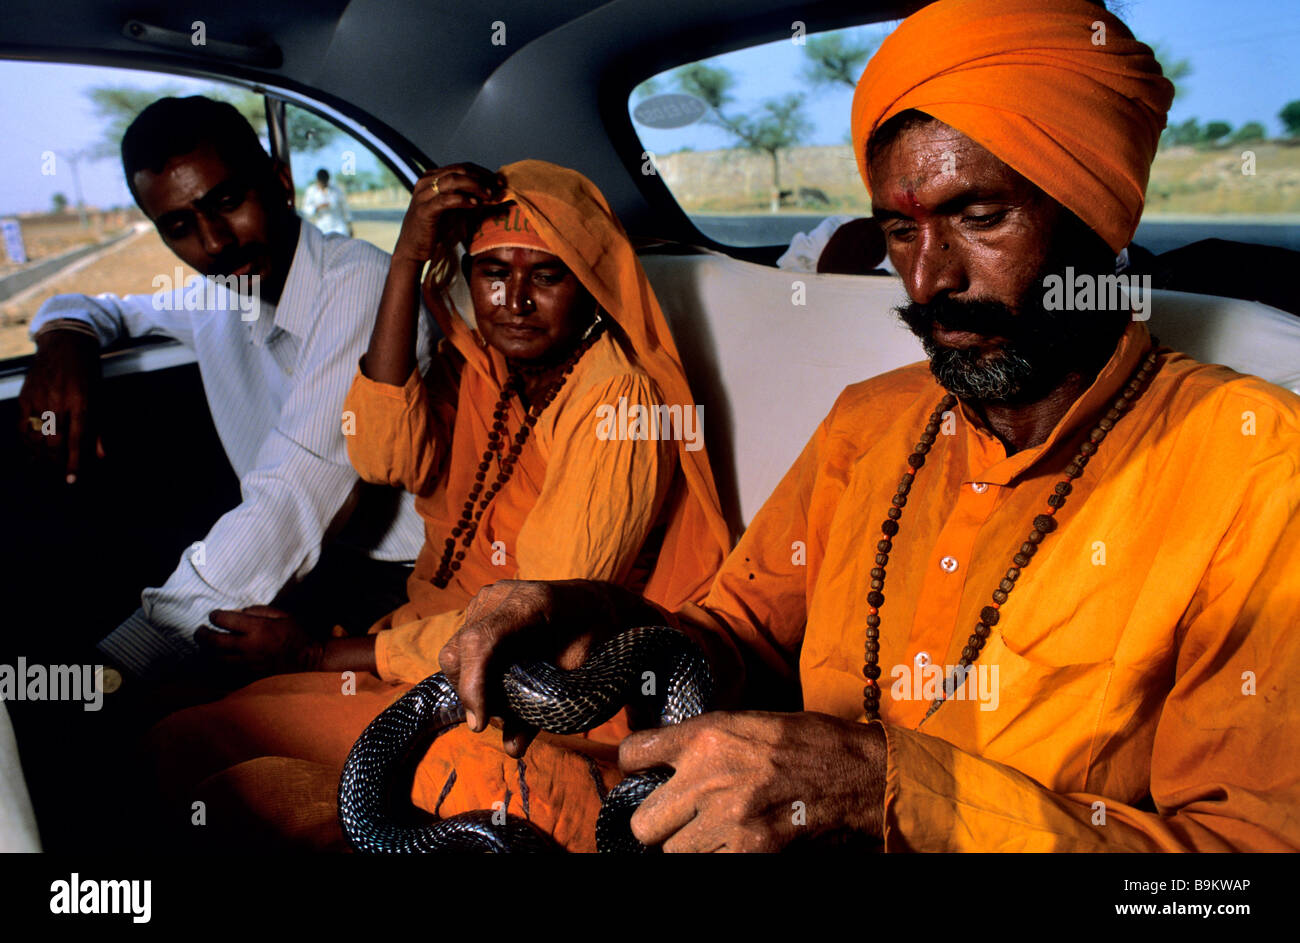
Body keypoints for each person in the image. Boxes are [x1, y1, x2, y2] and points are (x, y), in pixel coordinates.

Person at [429, 0, 1300, 852]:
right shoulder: (871, 420)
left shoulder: (1256, 465)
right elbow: (734, 638)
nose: (930, 278)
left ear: (1099, 218)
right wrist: (591, 613)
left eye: (980, 216)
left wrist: (894, 788)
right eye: (900, 228)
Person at [140, 159, 731, 850]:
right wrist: (405, 261)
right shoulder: (487, 366)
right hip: (433, 649)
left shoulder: (618, 401)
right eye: (491, 273)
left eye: (546, 275)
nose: (513, 300)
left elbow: (527, 619)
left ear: (592, 286)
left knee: (209, 759)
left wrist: (315, 650)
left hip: (541, 704)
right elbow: (382, 454)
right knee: (185, 736)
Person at [16, 96, 428, 683]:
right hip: (313, 573)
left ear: (280, 184)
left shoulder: (360, 282)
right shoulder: (219, 297)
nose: (212, 243)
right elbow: (105, 308)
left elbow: (292, 494)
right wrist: (64, 337)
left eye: (228, 203)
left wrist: (115, 668)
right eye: (179, 227)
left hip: (408, 583)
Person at [301, 168, 353, 237]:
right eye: (322, 182)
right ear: (318, 180)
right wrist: (317, 208)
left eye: (326, 182)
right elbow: (305, 209)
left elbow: (345, 208)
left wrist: (349, 226)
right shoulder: (311, 191)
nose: (324, 184)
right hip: (322, 226)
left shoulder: (336, 190)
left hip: (338, 226)